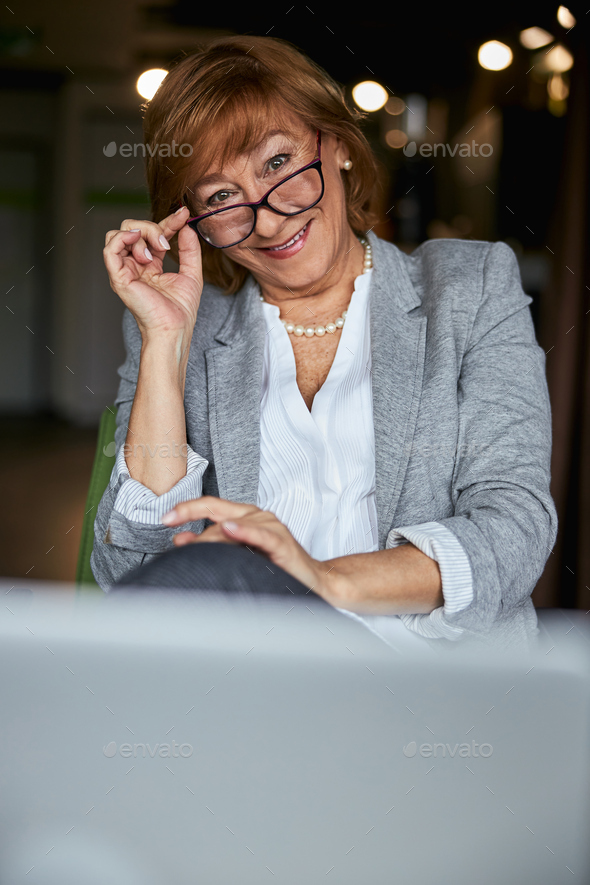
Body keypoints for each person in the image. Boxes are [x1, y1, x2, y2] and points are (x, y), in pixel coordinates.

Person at [91, 34, 557, 648]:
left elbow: (513, 528)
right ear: (191, 224)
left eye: (279, 163)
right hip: (257, 683)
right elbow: (130, 572)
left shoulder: (470, 288)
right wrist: (166, 342)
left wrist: (315, 579)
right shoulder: (188, 327)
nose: (269, 216)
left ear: (335, 144)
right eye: (222, 197)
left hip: (439, 687)